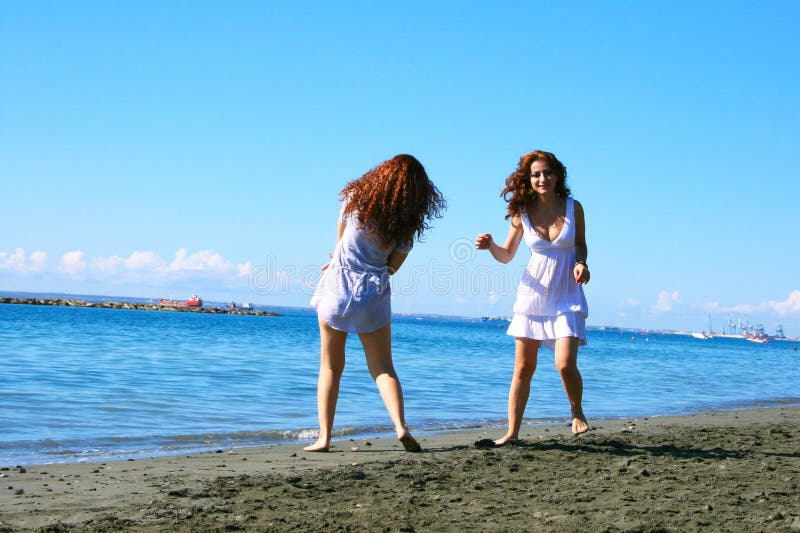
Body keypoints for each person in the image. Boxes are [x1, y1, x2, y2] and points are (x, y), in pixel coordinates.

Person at [305, 154, 446, 453]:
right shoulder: (405, 225)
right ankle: (400, 426)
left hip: (338, 286)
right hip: (373, 293)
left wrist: (338, 261)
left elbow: (341, 241)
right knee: (383, 369)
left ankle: (324, 438)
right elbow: (393, 266)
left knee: (330, 367)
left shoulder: (356, 199)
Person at [476, 150, 590, 443]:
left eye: (547, 173)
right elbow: (507, 255)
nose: (542, 179)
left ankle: (576, 411)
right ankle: (512, 433)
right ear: (528, 179)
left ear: (558, 176)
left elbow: (580, 245)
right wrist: (491, 247)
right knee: (523, 368)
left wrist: (581, 263)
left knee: (564, 364)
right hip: (533, 294)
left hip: (567, 292)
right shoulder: (521, 213)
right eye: (536, 174)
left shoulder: (573, 207)